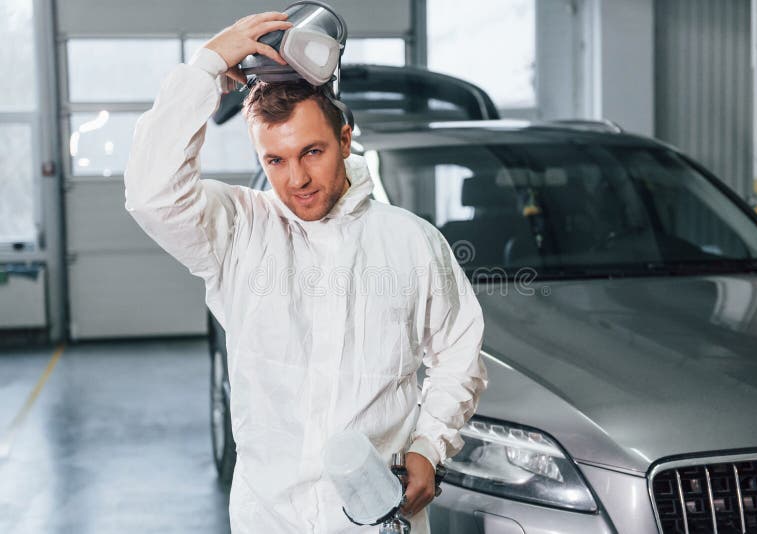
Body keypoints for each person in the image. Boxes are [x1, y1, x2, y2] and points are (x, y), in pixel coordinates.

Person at [123, 11, 488, 534]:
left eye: (311, 152)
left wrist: (430, 445)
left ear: (345, 138)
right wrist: (206, 66)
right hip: (268, 518)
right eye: (274, 161)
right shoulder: (240, 231)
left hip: (377, 522)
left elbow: (458, 353)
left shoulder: (411, 242)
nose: (296, 180)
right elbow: (151, 192)